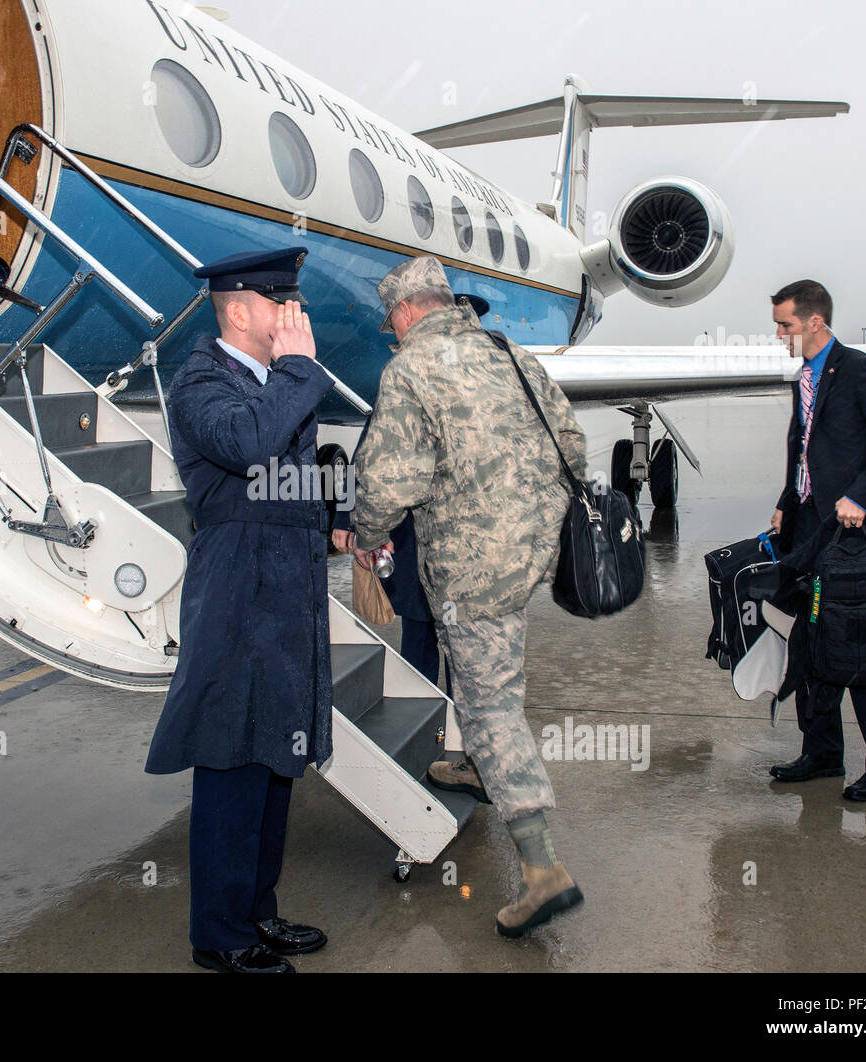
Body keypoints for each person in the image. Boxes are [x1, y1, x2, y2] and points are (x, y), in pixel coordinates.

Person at [349, 256, 588, 937]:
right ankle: (479, 769)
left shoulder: (410, 369)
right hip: (532, 554)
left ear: (404, 313)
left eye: (390, 322)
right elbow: (571, 441)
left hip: (469, 571)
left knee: (490, 705)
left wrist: (366, 533)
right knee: (496, 671)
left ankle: (542, 871)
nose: (392, 334)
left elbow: (391, 481)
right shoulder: (509, 353)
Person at [144, 246, 333, 973]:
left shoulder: (267, 379)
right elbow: (253, 445)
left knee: (274, 761)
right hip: (236, 597)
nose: (298, 317)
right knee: (230, 761)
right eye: (284, 305)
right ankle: (218, 936)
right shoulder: (200, 383)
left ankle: (257, 912)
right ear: (242, 311)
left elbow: (289, 477)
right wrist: (298, 369)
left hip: (285, 596)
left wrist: (334, 518)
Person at [767, 279, 866, 801]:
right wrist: (787, 504)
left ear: (815, 322)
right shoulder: (803, 377)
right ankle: (823, 753)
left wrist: (859, 496)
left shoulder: (859, 370)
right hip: (814, 528)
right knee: (813, 639)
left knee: (865, 646)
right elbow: (807, 449)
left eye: (785, 325)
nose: (779, 335)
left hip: (863, 534)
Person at [329, 295, 488, 695]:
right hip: (421, 546)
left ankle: (460, 742)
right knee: (420, 645)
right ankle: (426, 727)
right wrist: (347, 523)